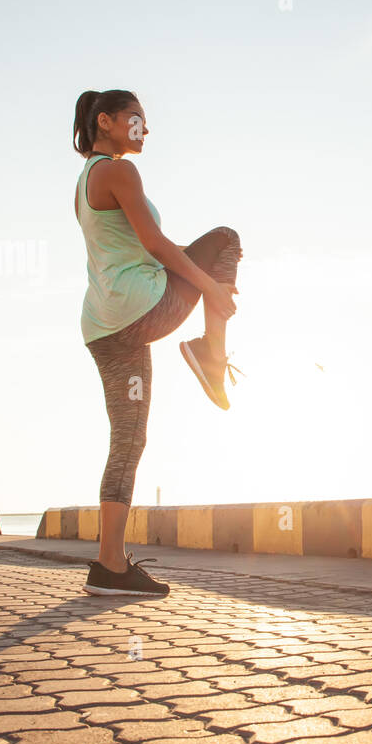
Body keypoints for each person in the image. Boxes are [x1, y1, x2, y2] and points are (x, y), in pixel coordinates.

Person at [72, 88, 242, 596]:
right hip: (142, 307)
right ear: (106, 122)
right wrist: (211, 285)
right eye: (136, 120)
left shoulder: (84, 181)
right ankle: (209, 351)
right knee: (226, 240)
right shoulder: (119, 171)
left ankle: (109, 567)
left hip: (105, 326)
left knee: (127, 440)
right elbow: (154, 244)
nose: (144, 130)